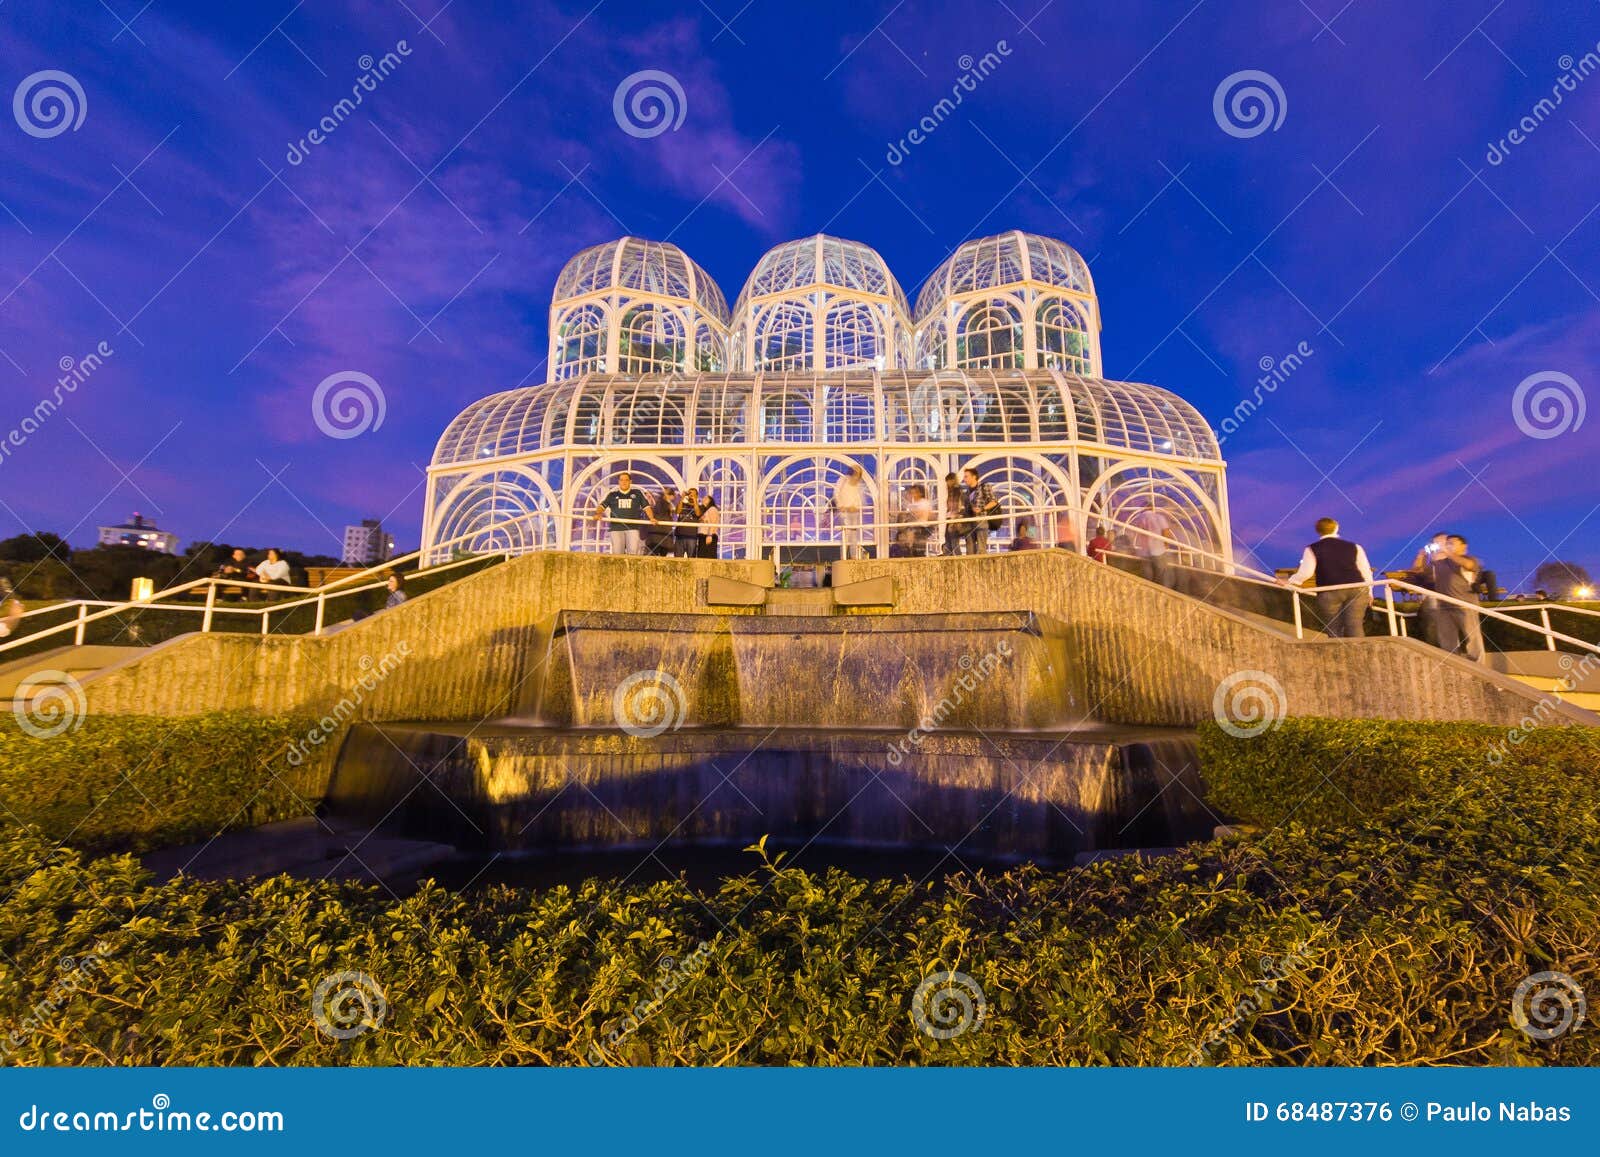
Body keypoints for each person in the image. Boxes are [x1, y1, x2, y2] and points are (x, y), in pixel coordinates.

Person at [1283, 517, 1374, 638]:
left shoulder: (1312, 548)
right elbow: (1365, 570)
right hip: (1357, 588)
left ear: (1318, 531)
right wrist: (1370, 592)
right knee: (1354, 625)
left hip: (1329, 591)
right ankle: (1360, 654)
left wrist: (1289, 581)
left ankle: (1338, 655)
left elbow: (1306, 573)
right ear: (1336, 528)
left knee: (1334, 628)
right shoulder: (1355, 547)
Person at [1430, 534, 1485, 662]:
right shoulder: (1440, 562)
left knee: (1473, 640)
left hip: (1464, 605)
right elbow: (1424, 569)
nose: (1448, 545)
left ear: (1463, 546)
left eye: (1452, 543)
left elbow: (1469, 565)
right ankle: (1453, 667)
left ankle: (1480, 670)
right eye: (1447, 543)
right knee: (1447, 641)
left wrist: (1448, 553)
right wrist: (1424, 555)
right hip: (1443, 606)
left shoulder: (1469, 559)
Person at [592, 472, 654, 556]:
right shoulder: (612, 495)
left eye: (626, 480)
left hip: (633, 528)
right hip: (616, 528)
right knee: (617, 554)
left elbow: (646, 507)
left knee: (633, 553)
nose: (624, 482)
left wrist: (651, 518)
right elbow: (602, 506)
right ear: (619, 482)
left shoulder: (637, 493)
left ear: (630, 481)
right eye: (621, 480)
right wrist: (598, 513)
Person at [1407, 531, 1448, 644]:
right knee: (1430, 606)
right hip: (1432, 596)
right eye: (1435, 543)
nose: (1438, 546)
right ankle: (1434, 647)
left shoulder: (1453, 559)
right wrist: (1421, 556)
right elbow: (1416, 571)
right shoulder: (1429, 563)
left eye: (1441, 542)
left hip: (1451, 596)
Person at [1129, 499, 1176, 588]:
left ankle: (1149, 589)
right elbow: (1166, 531)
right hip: (1158, 549)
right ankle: (1163, 590)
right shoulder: (1159, 517)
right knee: (1162, 572)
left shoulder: (1139, 518)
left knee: (1147, 574)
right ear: (1152, 507)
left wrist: (1133, 548)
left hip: (1144, 551)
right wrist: (1166, 544)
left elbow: (1134, 533)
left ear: (1144, 508)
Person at [960, 467, 999, 556]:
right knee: (970, 549)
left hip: (981, 520)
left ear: (974, 477)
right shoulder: (967, 492)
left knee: (981, 549)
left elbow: (994, 501)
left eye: (966, 476)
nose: (964, 479)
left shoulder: (984, 487)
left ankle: (982, 568)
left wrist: (982, 509)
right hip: (969, 522)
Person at [832, 465, 865, 560]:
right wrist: (840, 505)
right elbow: (836, 493)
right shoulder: (843, 480)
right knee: (846, 534)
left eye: (858, 473)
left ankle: (853, 556)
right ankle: (844, 557)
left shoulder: (858, 484)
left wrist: (857, 507)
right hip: (844, 511)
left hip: (854, 511)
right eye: (855, 471)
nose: (856, 474)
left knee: (854, 534)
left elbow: (860, 497)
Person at [644, 487, 678, 557]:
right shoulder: (662, 503)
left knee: (658, 554)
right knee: (657, 554)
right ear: (670, 495)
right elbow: (662, 515)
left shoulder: (663, 503)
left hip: (660, 535)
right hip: (659, 534)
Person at [904, 483, 934, 555]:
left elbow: (924, 515)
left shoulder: (924, 503)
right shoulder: (911, 505)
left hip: (921, 528)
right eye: (912, 493)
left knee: (919, 550)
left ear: (920, 493)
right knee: (912, 550)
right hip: (913, 528)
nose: (913, 495)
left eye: (915, 492)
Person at [674, 487, 701, 558]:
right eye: (689, 493)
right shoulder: (682, 504)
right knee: (678, 559)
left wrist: (694, 500)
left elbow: (698, 513)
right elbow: (677, 511)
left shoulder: (699, 506)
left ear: (697, 496)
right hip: (680, 535)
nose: (690, 495)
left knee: (691, 559)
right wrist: (682, 498)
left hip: (691, 536)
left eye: (693, 494)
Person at [942, 473, 964, 555]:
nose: (947, 483)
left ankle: (955, 559)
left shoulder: (956, 490)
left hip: (954, 518)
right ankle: (950, 557)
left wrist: (954, 517)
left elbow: (956, 505)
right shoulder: (954, 490)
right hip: (950, 517)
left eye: (948, 481)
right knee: (950, 541)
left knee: (953, 541)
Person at [697, 491, 721, 558]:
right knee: (702, 555)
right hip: (703, 535)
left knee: (708, 555)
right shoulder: (706, 510)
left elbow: (713, 523)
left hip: (708, 535)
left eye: (705, 498)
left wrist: (709, 535)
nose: (703, 499)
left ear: (710, 501)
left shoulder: (712, 509)